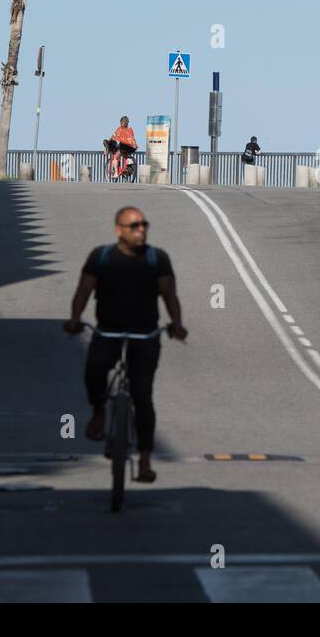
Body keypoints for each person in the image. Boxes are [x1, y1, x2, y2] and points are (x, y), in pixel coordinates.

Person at [63, 206, 187, 484]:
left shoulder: (157, 259)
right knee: (94, 372)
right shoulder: (102, 257)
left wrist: (176, 324)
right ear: (119, 230)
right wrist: (74, 319)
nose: (141, 230)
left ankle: (144, 460)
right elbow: (84, 290)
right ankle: (97, 412)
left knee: (143, 396)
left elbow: (169, 295)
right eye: (134, 226)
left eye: (143, 225)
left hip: (146, 335)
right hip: (107, 331)